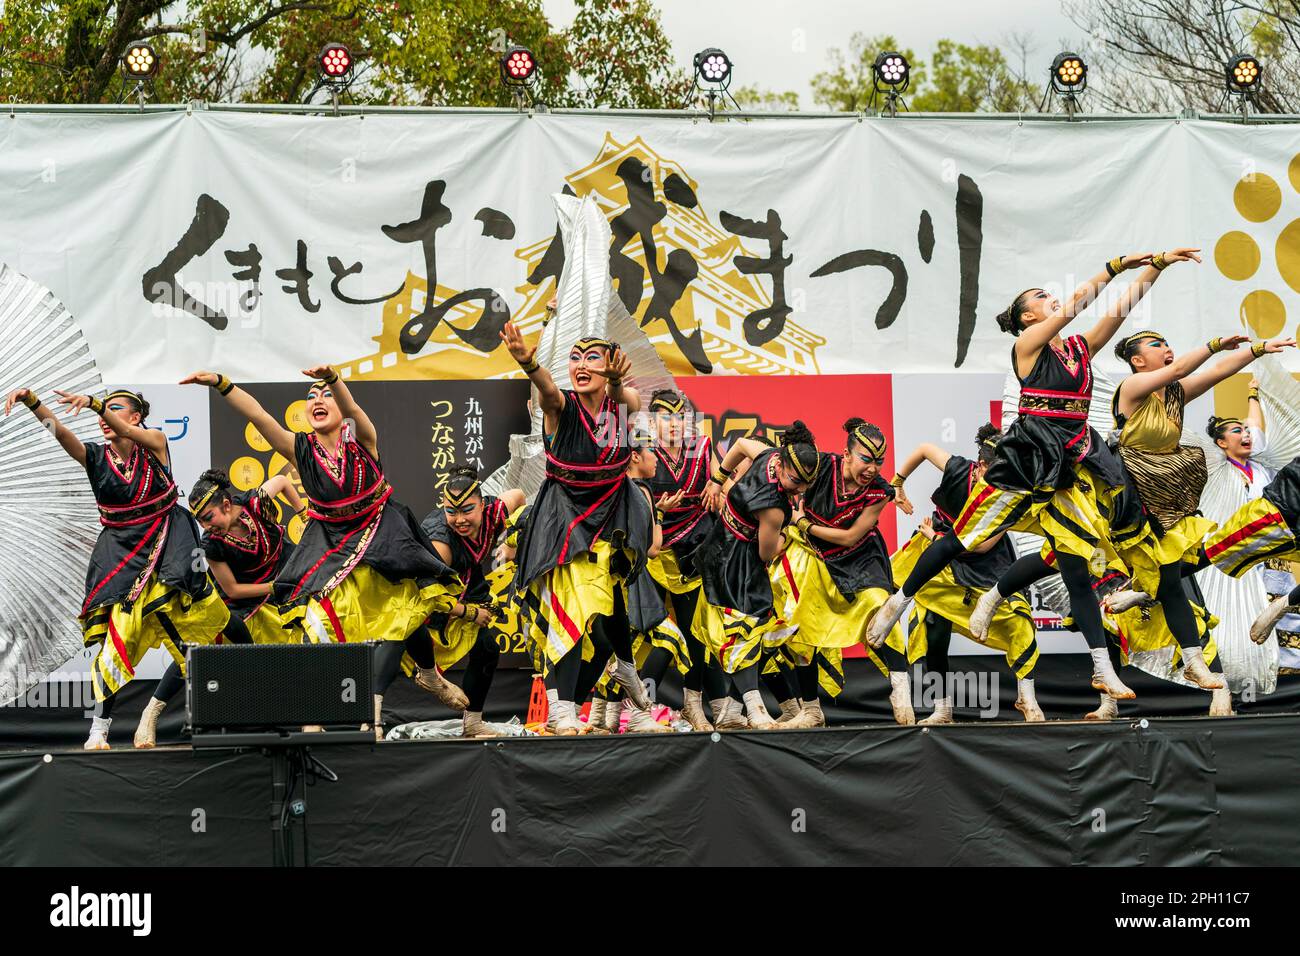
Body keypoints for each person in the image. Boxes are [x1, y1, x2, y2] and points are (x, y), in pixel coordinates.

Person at [877, 248, 1201, 704]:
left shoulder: (1079, 350)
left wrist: (1157, 267)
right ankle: (901, 599)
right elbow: (1077, 305)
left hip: (1072, 458)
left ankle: (1103, 669)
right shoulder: (1026, 347)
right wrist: (1114, 265)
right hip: (1029, 455)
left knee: (1076, 564)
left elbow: (1118, 310)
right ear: (1027, 318)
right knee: (967, 535)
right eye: (1041, 298)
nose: (1051, 299)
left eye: (1050, 295)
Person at [180, 367, 461, 739]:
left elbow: (355, 410)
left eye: (324, 396)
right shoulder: (301, 452)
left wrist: (334, 380)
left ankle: (428, 674)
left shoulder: (363, 442)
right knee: (316, 622)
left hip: (382, 533)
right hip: (332, 542)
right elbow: (258, 415)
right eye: (311, 397)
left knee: (408, 607)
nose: (318, 401)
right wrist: (221, 383)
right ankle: (313, 715)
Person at [4, 386, 231, 750]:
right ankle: (99, 729)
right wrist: (34, 403)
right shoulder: (96, 457)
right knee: (116, 641)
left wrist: (94, 402)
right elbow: (60, 432)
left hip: (169, 547)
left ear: (135, 416)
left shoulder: (154, 443)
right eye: (102, 409)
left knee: (211, 618)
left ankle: (235, 700)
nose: (103, 416)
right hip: (124, 558)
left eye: (114, 408)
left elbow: (130, 434)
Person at [499, 323, 653, 735]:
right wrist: (529, 364)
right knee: (570, 609)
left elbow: (624, 399)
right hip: (564, 517)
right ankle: (563, 709)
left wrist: (618, 383)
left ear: (612, 365)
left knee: (607, 610)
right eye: (574, 358)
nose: (580, 365)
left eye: (591, 358)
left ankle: (620, 671)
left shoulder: (624, 403)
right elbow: (548, 390)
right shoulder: (560, 407)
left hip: (612, 514)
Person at [892, 425, 1044, 722]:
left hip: (985, 564)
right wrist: (898, 484)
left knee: (1019, 623)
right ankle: (942, 708)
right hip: (944, 562)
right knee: (934, 631)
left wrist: (934, 539)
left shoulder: (1008, 492)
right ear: (981, 465)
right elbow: (924, 447)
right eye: (998, 471)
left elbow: (981, 546)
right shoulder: (959, 469)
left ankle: (1028, 699)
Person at [774, 418, 912, 726]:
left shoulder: (878, 491)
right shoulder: (820, 466)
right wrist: (721, 477)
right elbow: (766, 457)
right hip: (817, 557)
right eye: (866, 458)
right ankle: (811, 710)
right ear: (846, 454)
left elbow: (851, 537)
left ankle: (901, 689)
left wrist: (804, 524)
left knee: (882, 608)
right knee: (800, 624)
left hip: (860, 557)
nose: (873, 468)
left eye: (879, 461)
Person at [697, 421, 819, 728]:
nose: (800, 489)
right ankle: (754, 709)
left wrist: (717, 479)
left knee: (762, 630)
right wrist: (794, 530)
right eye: (795, 480)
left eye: (807, 484)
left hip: (720, 542)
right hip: (736, 563)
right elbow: (767, 552)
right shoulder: (775, 508)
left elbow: (738, 447)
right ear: (783, 464)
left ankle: (735, 712)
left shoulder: (767, 453)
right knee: (745, 632)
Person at [419, 467, 526, 738]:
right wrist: (467, 612)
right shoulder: (440, 545)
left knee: (487, 649)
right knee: (395, 648)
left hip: (466, 585)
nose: (460, 520)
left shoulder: (495, 512)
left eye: (467, 510)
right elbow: (425, 596)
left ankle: (473, 723)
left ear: (482, 504)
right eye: (451, 512)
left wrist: (512, 543)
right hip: (425, 597)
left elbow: (518, 496)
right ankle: (370, 725)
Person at [644, 388, 727, 731]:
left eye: (681, 417)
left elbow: (725, 478)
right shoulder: (643, 452)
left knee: (698, 633)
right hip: (653, 552)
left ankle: (695, 706)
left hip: (695, 551)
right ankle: (630, 709)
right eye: (666, 417)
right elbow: (630, 495)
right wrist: (656, 511)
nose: (675, 424)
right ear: (652, 421)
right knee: (644, 632)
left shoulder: (703, 448)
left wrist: (720, 485)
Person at [190, 468, 304, 645]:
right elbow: (233, 590)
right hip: (249, 599)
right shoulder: (211, 544)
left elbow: (282, 481)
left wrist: (305, 517)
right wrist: (275, 587)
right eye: (200, 521)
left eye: (208, 517)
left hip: (285, 567)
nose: (205, 526)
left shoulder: (253, 503)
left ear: (227, 505)